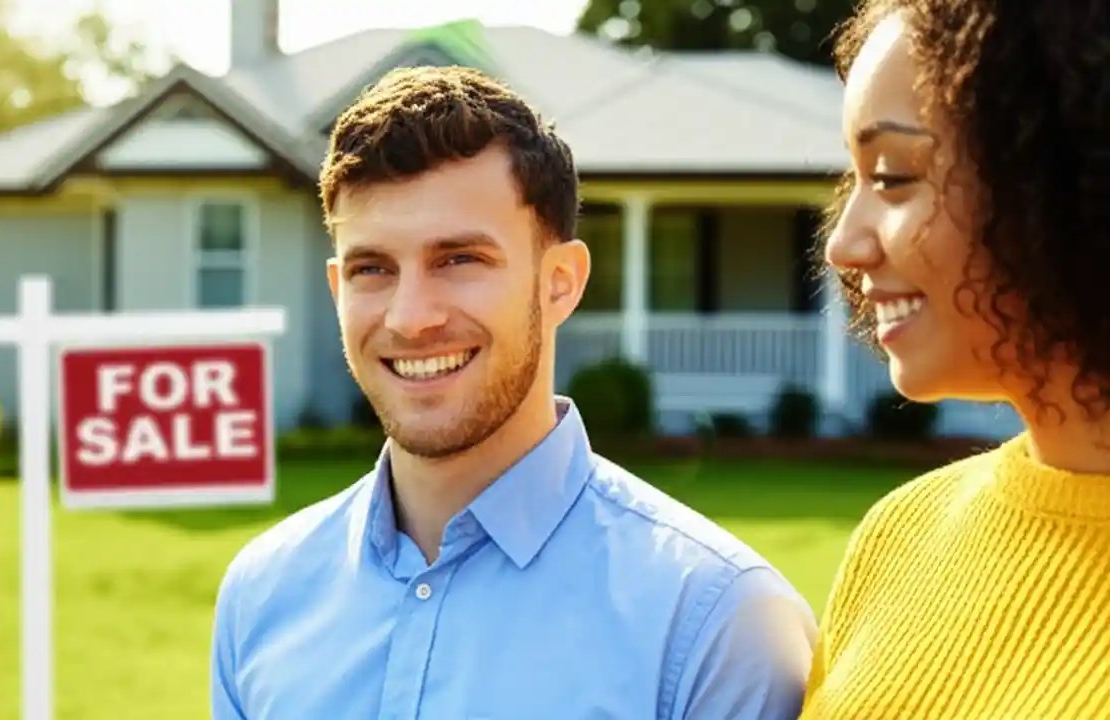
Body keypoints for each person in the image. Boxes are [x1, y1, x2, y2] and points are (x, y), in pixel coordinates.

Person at [209, 65, 816, 719]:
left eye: (459, 260)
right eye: (372, 269)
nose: (411, 317)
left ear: (560, 282)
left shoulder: (715, 624)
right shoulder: (260, 596)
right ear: (338, 292)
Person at [802, 0, 1110, 717]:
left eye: (894, 177)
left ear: (1058, 178)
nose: (842, 246)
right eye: (857, 179)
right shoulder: (900, 536)